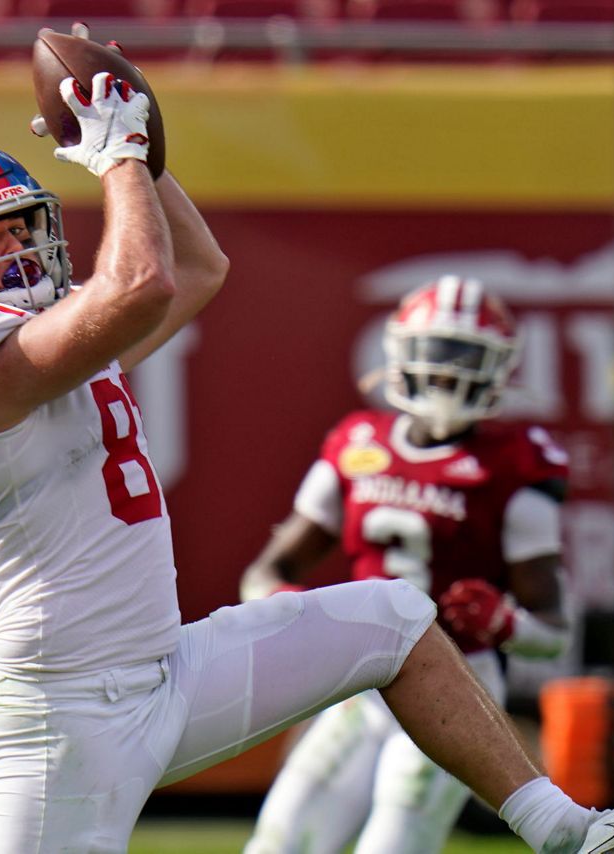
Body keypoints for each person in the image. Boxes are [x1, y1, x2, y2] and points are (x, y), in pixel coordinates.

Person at [0, 65, 614, 853]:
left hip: (165, 674)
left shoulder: (55, 338)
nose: (20, 249)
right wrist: (117, 155)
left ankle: (564, 829)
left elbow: (198, 267)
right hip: (58, 717)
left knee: (395, 619)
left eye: (25, 224)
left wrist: (143, 150)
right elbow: (142, 287)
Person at [241, 276, 577, 854]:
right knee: (282, 840)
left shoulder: (514, 467)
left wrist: (504, 624)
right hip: (359, 680)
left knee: (394, 844)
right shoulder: (358, 443)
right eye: (439, 352)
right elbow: (268, 571)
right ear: (402, 353)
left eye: (468, 356)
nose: (450, 372)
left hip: (457, 683)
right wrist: (287, 610)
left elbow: (551, 633)